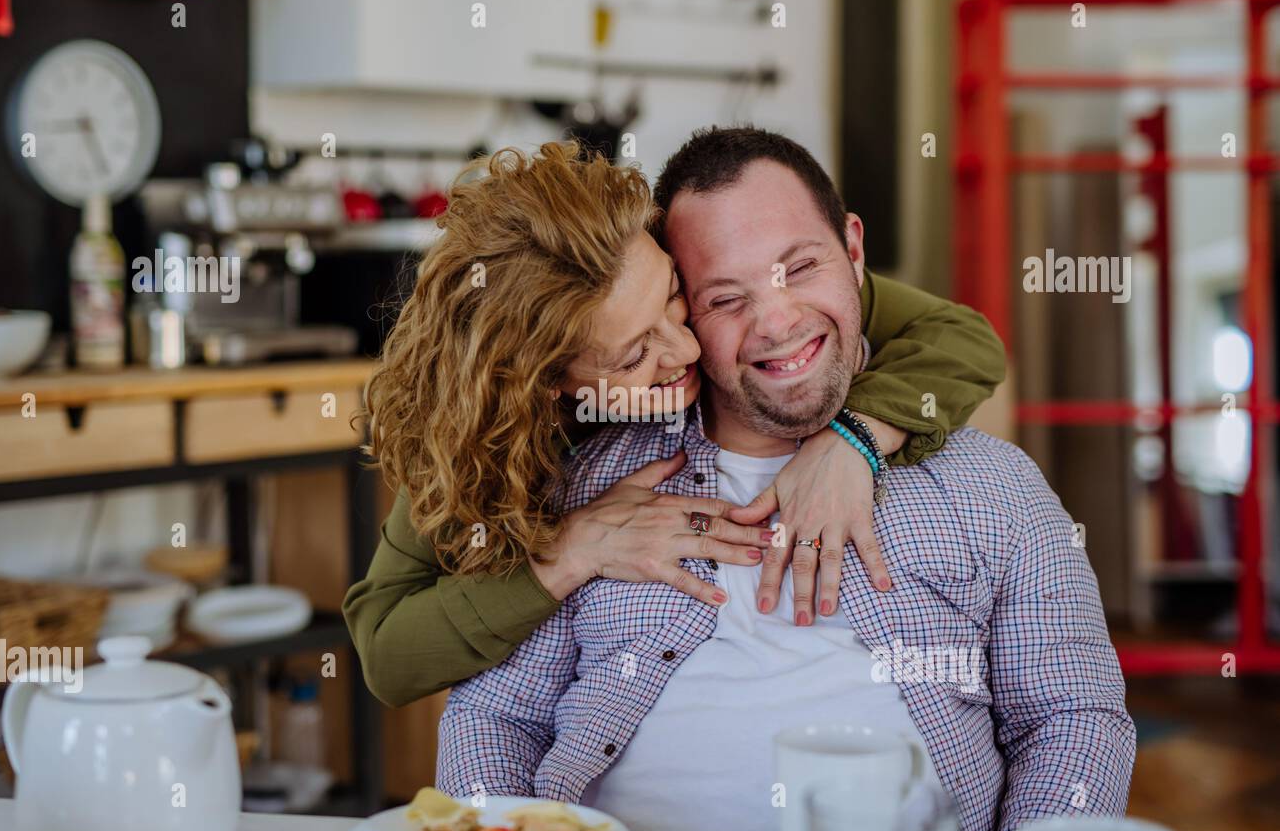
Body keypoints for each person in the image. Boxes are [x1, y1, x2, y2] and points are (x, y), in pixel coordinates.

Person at [435, 127, 1135, 831]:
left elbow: (1074, 717)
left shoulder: (994, 487)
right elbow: (495, 717)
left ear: (854, 250)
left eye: (799, 268)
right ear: (679, 307)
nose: (776, 322)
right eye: (724, 300)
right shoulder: (589, 484)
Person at [344, 139, 1005, 707]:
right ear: (545, 385)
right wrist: (571, 552)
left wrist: (853, 440)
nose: (685, 351)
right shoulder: (487, 426)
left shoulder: (701, 266)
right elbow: (387, 652)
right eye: (636, 355)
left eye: (674, 298)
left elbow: (959, 334)